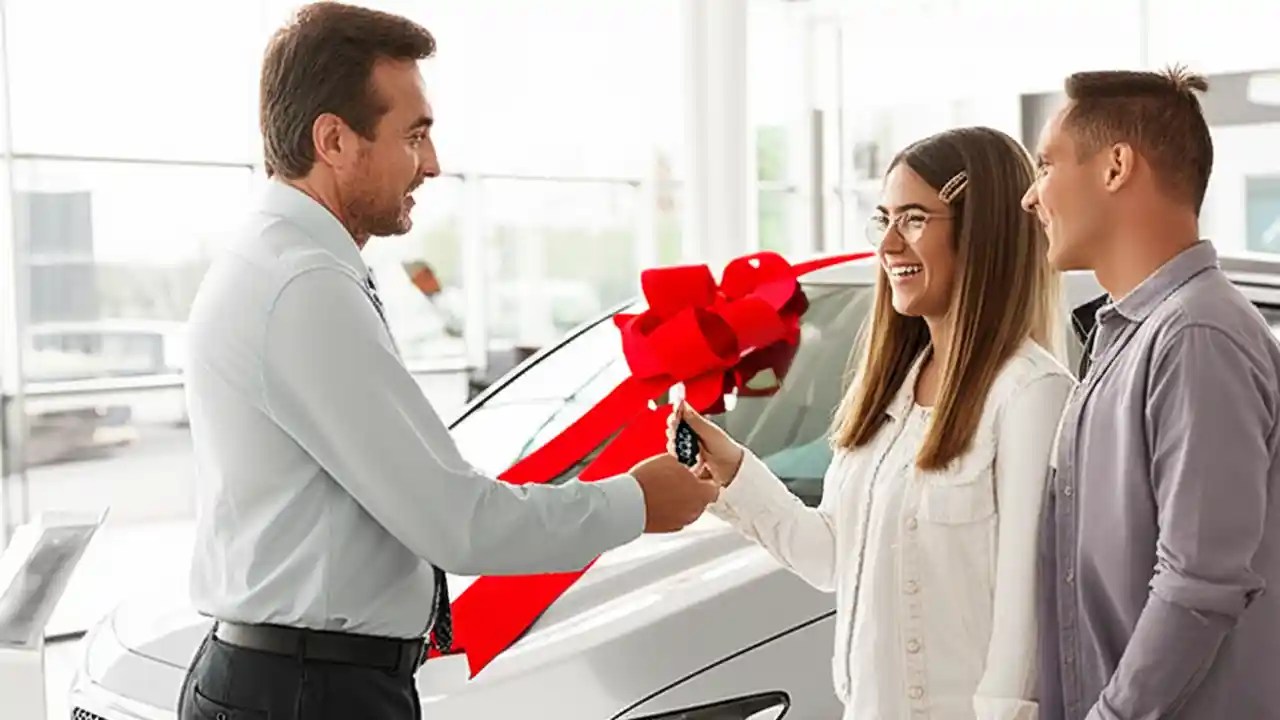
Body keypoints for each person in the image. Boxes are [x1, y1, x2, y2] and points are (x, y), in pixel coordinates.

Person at [178, 4, 717, 719]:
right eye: (415, 135)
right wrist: (640, 501)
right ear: (334, 139)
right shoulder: (303, 288)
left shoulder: (276, 261)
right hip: (310, 694)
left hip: (295, 680)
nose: (431, 164)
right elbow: (456, 524)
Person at [670, 127, 1074, 719]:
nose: (888, 243)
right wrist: (733, 471)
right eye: (883, 218)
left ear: (982, 232)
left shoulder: (1031, 394)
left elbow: (1025, 624)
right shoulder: (892, 391)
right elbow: (832, 559)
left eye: (913, 219)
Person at [1024, 67, 1280, 720]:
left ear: (1115, 166)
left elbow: (1201, 582)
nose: (1032, 197)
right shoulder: (1128, 334)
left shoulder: (1198, 334)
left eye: (1047, 165)